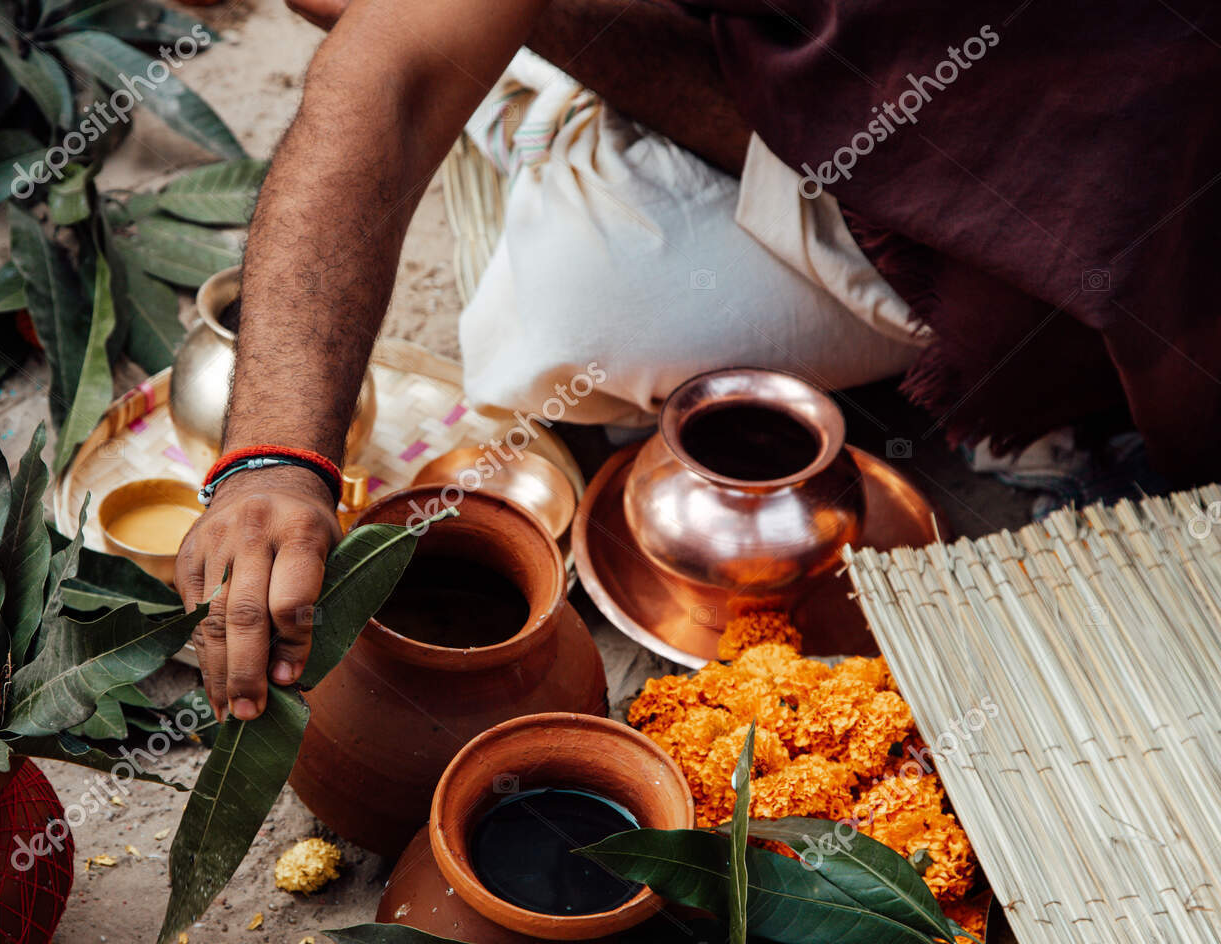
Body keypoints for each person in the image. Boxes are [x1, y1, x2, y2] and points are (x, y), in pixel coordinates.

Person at [177, 0, 1221, 723]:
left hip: (1143, 150)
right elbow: (395, 78)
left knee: (570, 330)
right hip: (824, 84)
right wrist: (273, 457)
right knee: (548, 342)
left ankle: (526, 72)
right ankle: (525, 66)